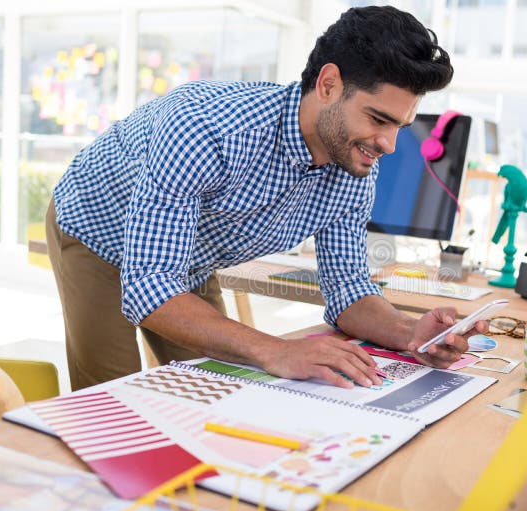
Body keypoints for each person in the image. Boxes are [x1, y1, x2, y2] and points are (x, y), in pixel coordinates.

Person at [46, 5, 487, 391]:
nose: (389, 144)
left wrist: (411, 332)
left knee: (214, 389)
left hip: (191, 253)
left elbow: (348, 287)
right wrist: (277, 350)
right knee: (116, 398)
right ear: (329, 84)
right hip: (98, 229)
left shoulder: (356, 164)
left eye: (400, 127)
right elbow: (149, 288)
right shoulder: (206, 128)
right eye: (378, 119)